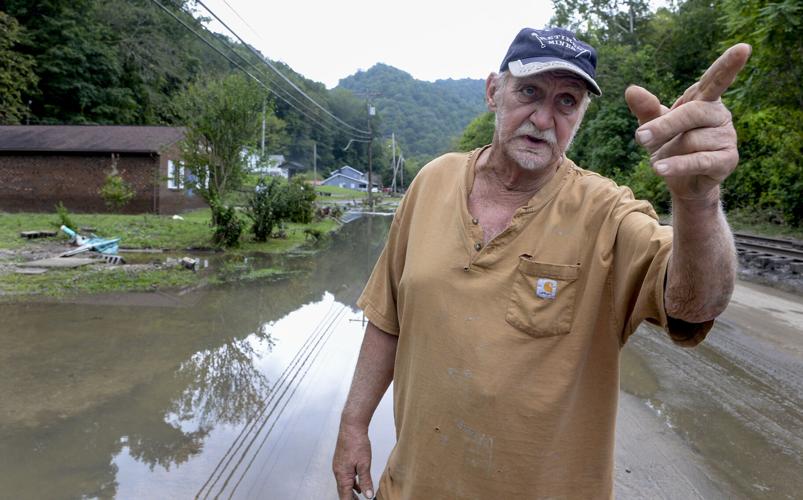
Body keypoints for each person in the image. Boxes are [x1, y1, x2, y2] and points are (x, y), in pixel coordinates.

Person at [333, 27, 751, 499]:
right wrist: (353, 425)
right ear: (495, 91)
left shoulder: (606, 212)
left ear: (580, 118)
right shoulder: (433, 181)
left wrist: (698, 201)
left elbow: (696, 304)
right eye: (530, 91)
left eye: (567, 102)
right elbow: (387, 320)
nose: (544, 118)